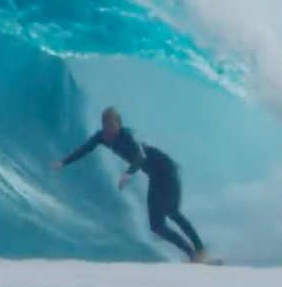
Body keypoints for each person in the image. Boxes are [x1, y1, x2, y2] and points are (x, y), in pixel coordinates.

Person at [51, 106, 209, 263]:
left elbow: (141, 156)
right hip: (154, 177)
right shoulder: (101, 137)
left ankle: (200, 250)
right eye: (106, 125)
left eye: (112, 125)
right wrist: (63, 162)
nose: (109, 130)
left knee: (171, 211)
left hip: (167, 170)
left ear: (119, 124)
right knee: (156, 226)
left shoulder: (127, 136)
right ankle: (191, 253)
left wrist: (128, 173)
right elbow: (85, 149)